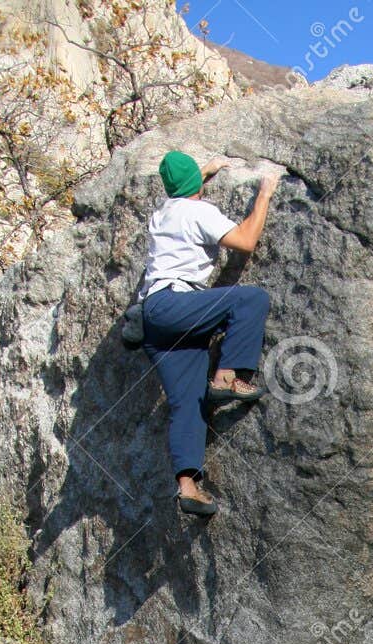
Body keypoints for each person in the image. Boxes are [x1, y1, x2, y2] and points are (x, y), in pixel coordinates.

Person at [140, 150, 277, 517]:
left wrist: (207, 170)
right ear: (197, 186)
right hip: (176, 304)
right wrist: (264, 193)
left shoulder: (163, 212)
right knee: (249, 300)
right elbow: (245, 241)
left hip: (156, 318)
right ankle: (229, 378)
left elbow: (182, 188)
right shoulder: (197, 212)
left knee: (188, 402)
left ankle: (187, 486)